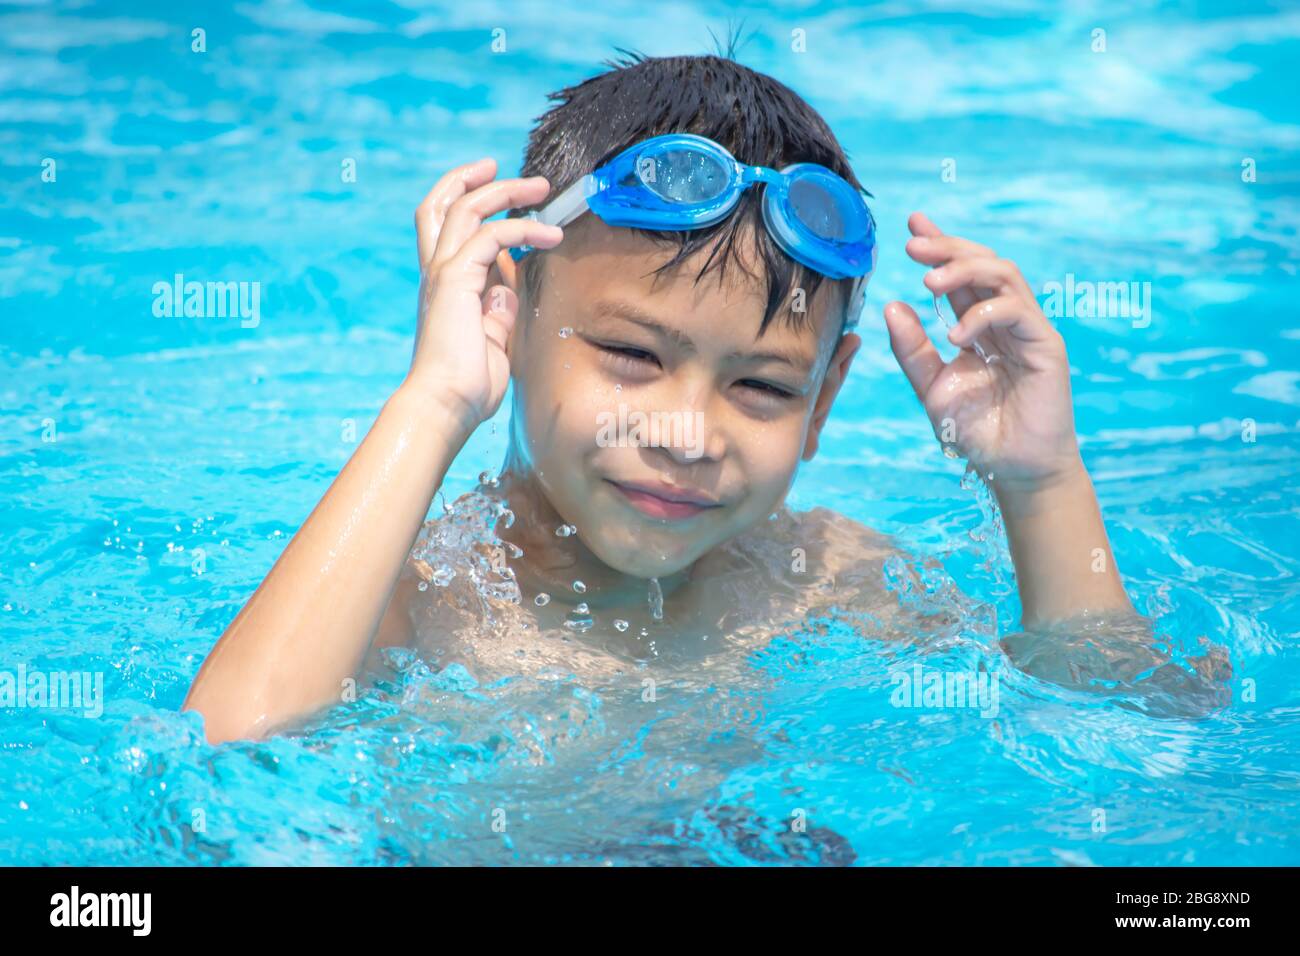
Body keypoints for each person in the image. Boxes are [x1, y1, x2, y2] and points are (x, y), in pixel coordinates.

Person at [183, 53, 1229, 746]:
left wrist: (1039, 485)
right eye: (634, 356)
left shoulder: (823, 578)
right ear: (504, 309)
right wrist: (434, 396)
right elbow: (225, 760)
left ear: (822, 408)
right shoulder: (421, 597)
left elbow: (1129, 725)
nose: (690, 433)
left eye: (764, 386)